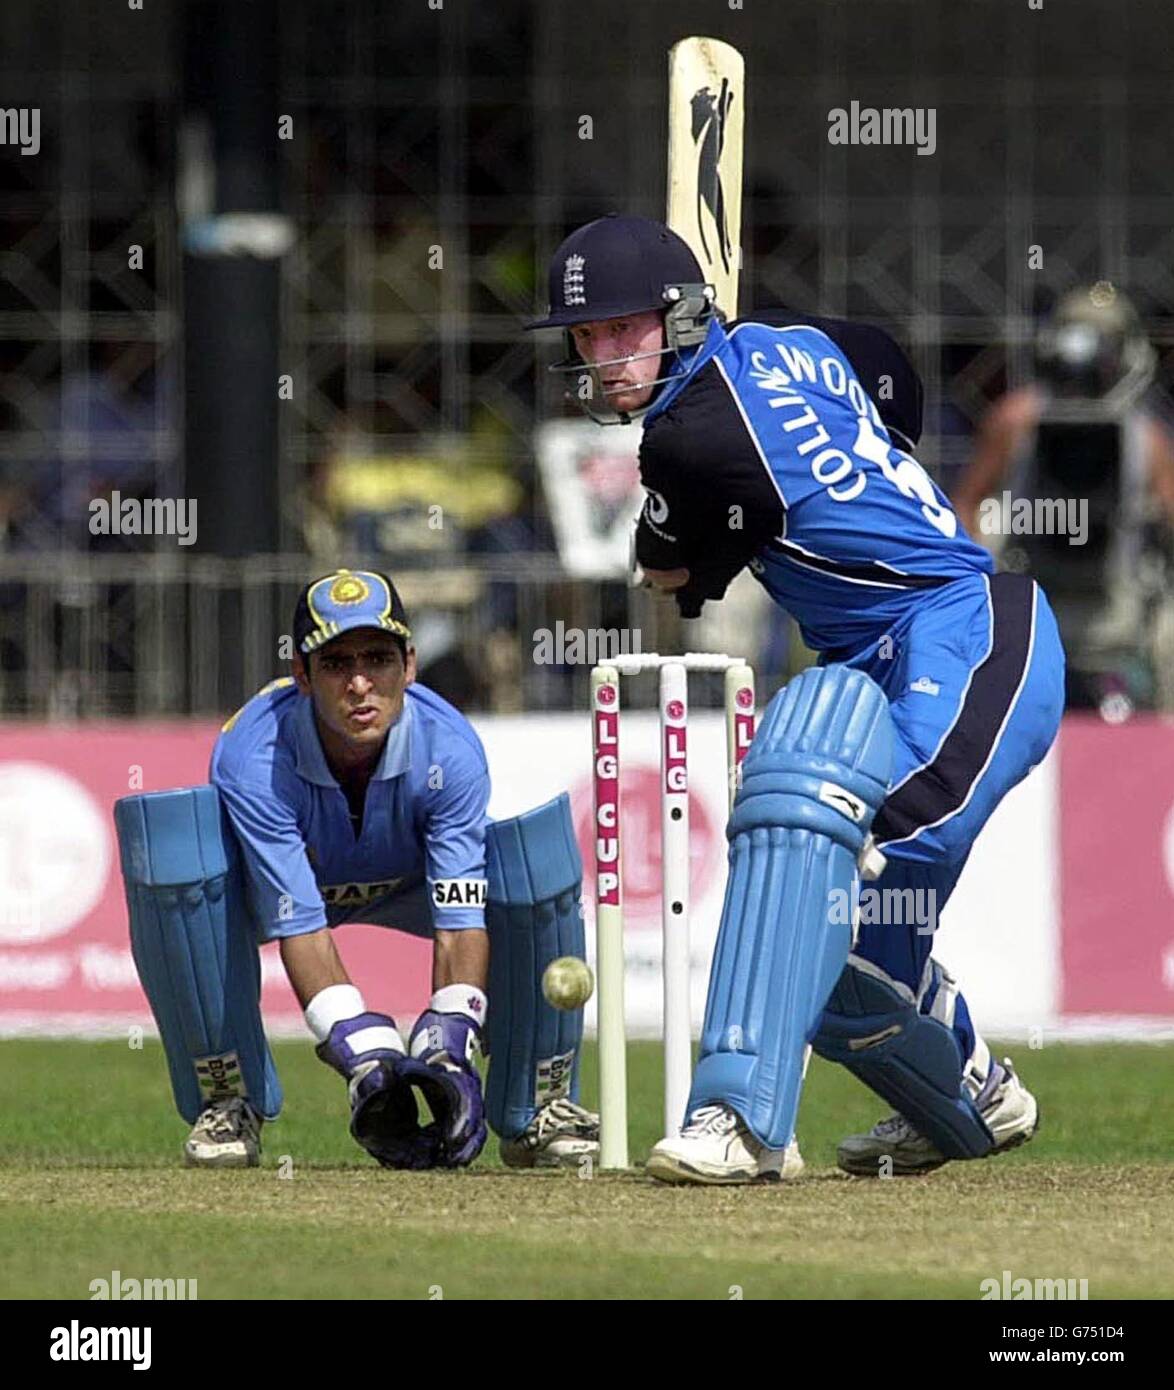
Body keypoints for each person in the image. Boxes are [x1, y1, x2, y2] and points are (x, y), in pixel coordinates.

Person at [527, 215, 1065, 1183]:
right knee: (851, 965)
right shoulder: (792, 342)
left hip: (970, 630)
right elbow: (883, 361)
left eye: (622, 332)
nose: (603, 359)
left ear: (679, 314)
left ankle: (737, 1119)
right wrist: (863, 456)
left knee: (807, 856)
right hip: (870, 663)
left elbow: (666, 573)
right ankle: (972, 1087)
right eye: (586, 338)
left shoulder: (690, 441)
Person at [115, 567, 597, 1170]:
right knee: (180, 861)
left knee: (534, 866)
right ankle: (227, 1101)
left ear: (411, 665)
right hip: (275, 895)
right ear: (301, 674)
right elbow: (301, 926)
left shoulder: (450, 749)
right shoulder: (254, 758)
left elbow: (459, 919)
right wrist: (367, 1056)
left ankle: (538, 1105)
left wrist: (451, 1042)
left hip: (406, 882)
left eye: (378, 659)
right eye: (337, 664)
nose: (361, 684)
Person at [952, 284, 1174, 713]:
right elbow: (967, 504)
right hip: (1026, 596)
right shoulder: (1017, 419)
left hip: (1116, 610)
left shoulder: (1143, 435)